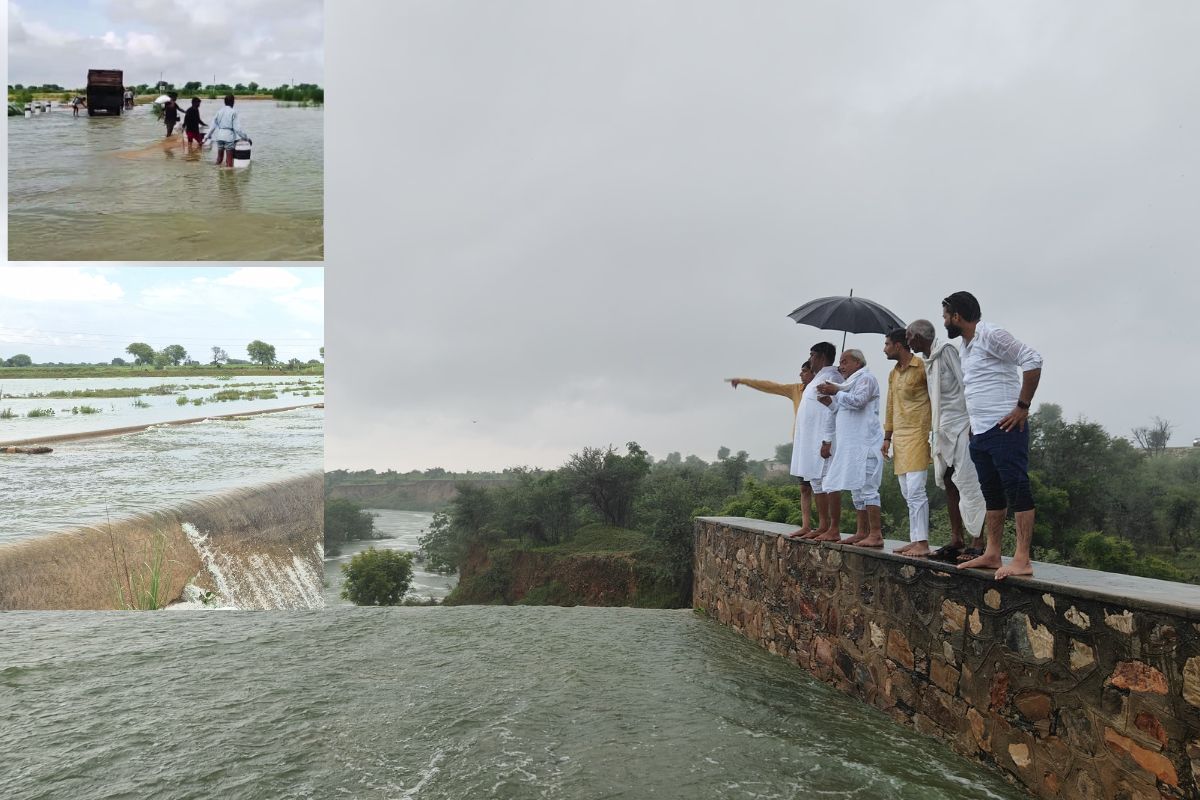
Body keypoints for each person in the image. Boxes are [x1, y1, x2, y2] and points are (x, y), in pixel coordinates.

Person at [942, 292, 1043, 580]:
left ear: (957, 316)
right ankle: (993, 552)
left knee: (1017, 487)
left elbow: (1032, 358)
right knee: (992, 494)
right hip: (981, 432)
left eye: (946, 315)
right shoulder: (965, 346)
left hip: (1006, 427)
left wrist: (1022, 406)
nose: (945, 321)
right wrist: (974, 425)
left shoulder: (991, 334)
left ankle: (1022, 558)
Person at [905, 319, 987, 563]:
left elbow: (966, 384)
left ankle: (977, 542)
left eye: (909, 337)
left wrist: (974, 422)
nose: (907, 341)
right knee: (950, 480)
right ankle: (956, 539)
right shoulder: (929, 361)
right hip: (942, 428)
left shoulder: (947, 351)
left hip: (961, 423)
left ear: (918, 337)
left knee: (968, 482)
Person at [726, 362, 816, 533]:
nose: (800, 374)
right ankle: (806, 526)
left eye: (804, 371)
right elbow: (771, 386)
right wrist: (744, 381)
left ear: (813, 372)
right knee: (805, 487)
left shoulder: (823, 388)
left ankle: (827, 527)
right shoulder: (796, 389)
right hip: (801, 444)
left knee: (821, 487)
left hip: (819, 444)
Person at [815, 349, 885, 547]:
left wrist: (836, 391)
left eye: (845, 362)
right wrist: (830, 403)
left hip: (866, 444)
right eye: (840, 362)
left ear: (858, 362)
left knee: (869, 488)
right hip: (850, 447)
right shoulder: (848, 384)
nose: (841, 366)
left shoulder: (866, 379)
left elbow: (858, 402)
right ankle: (862, 532)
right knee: (857, 489)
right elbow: (844, 411)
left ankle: (876, 533)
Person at [882, 329, 932, 556]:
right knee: (906, 491)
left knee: (916, 490)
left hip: (919, 433)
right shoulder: (893, 373)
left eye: (887, 344)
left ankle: (922, 542)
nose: (885, 349)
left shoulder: (922, 366)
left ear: (899, 345)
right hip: (900, 437)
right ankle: (915, 539)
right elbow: (890, 406)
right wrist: (887, 437)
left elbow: (936, 395)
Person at [790, 342, 845, 540]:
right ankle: (822, 526)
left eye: (812, 355)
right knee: (817, 482)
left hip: (823, 439)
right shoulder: (819, 378)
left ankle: (833, 528)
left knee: (829, 482)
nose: (810, 358)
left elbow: (833, 409)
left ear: (821, 356)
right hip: (810, 440)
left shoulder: (832, 377)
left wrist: (827, 440)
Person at [204, 94, 251, 167]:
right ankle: (229, 177)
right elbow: (238, 129)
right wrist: (246, 138)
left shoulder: (219, 112)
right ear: (233, 102)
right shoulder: (233, 112)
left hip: (219, 137)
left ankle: (217, 173)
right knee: (229, 162)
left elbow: (212, 127)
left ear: (224, 102)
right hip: (229, 137)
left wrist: (206, 137)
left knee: (219, 159)